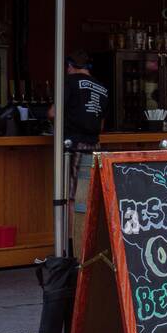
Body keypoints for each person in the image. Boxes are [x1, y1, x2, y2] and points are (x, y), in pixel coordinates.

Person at [47, 49, 110, 227]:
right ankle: (87, 242)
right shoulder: (103, 88)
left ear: (70, 66)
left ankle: (71, 245)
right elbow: (102, 125)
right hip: (94, 145)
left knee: (72, 196)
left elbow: (53, 112)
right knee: (90, 195)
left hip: (73, 145)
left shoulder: (70, 82)